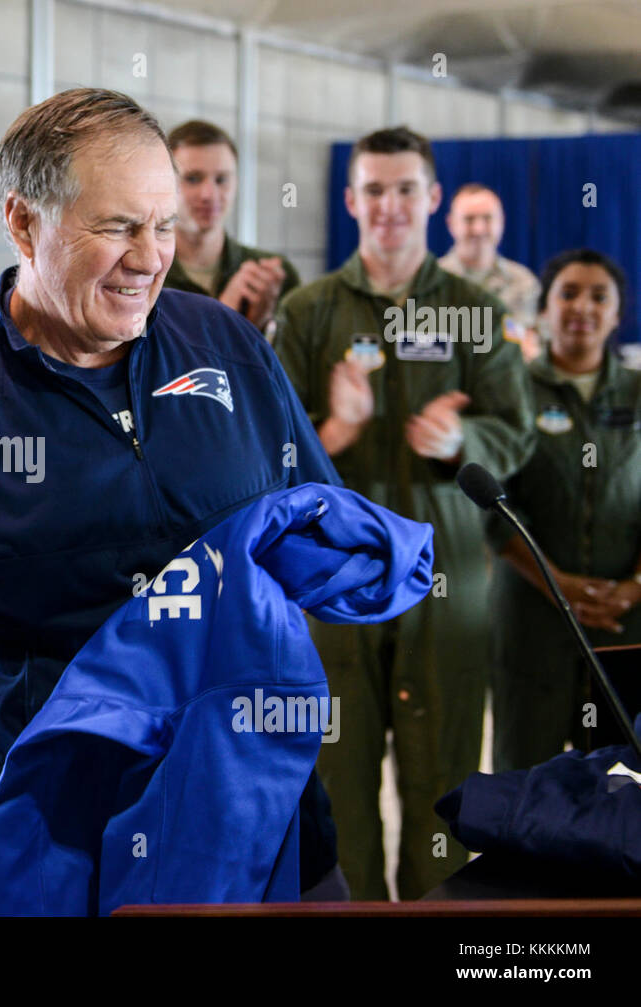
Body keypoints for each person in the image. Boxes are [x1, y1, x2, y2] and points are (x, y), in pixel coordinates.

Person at [0, 88, 348, 916]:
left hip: (258, 827)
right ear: (23, 223)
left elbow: (312, 523)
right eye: (118, 227)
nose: (151, 257)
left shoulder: (229, 348)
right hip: (52, 852)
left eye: (163, 225)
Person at [273, 126, 537, 901]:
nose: (390, 206)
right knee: (338, 780)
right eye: (375, 190)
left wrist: (465, 438)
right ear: (352, 200)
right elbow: (270, 459)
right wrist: (336, 432)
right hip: (331, 581)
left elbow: (515, 432)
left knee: (444, 780)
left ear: (433, 198)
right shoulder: (308, 311)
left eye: (406, 189)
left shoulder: (477, 312)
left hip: (444, 573)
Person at [489, 249, 641, 771]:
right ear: (544, 310)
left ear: (618, 314)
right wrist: (558, 585)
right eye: (568, 293)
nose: (583, 307)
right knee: (523, 791)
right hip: (532, 626)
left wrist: (635, 587)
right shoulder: (510, 391)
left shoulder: (638, 394)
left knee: (622, 793)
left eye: (600, 296)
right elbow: (493, 505)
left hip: (625, 628)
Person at [162, 120, 300, 334]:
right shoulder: (146, 276)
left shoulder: (274, 279)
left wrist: (263, 324)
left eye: (221, 179)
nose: (209, 194)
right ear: (164, 184)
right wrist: (225, 314)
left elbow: (289, 365)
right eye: (193, 179)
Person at [439, 184, 542, 362]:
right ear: (451, 223)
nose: (479, 229)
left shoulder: (523, 282)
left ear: (501, 221)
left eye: (487, 218)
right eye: (469, 219)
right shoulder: (432, 279)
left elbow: (529, 346)